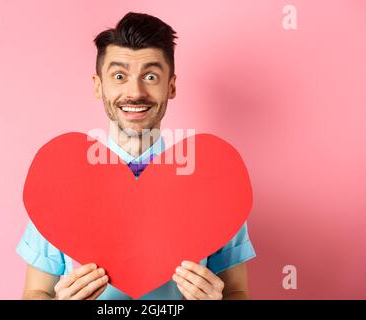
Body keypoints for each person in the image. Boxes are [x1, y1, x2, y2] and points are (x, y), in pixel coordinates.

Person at [16, 11, 256, 300]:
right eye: (119, 76)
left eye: (151, 76)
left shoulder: (214, 183)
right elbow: (35, 291)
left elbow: (238, 292)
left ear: (171, 86)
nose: (135, 91)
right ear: (98, 85)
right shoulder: (60, 180)